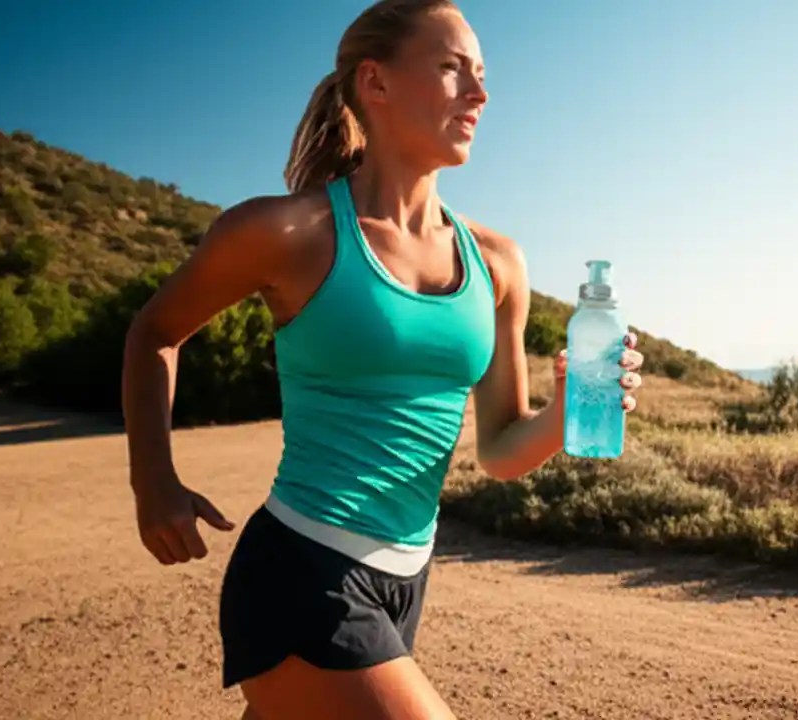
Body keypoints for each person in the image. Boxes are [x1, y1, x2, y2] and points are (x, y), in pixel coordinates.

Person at [121, 0, 645, 717]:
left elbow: (499, 448)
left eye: (483, 76)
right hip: (301, 569)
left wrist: (567, 413)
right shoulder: (287, 231)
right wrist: (154, 481)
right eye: (452, 69)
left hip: (406, 581)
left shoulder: (498, 264)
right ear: (377, 83)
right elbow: (154, 332)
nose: (480, 95)